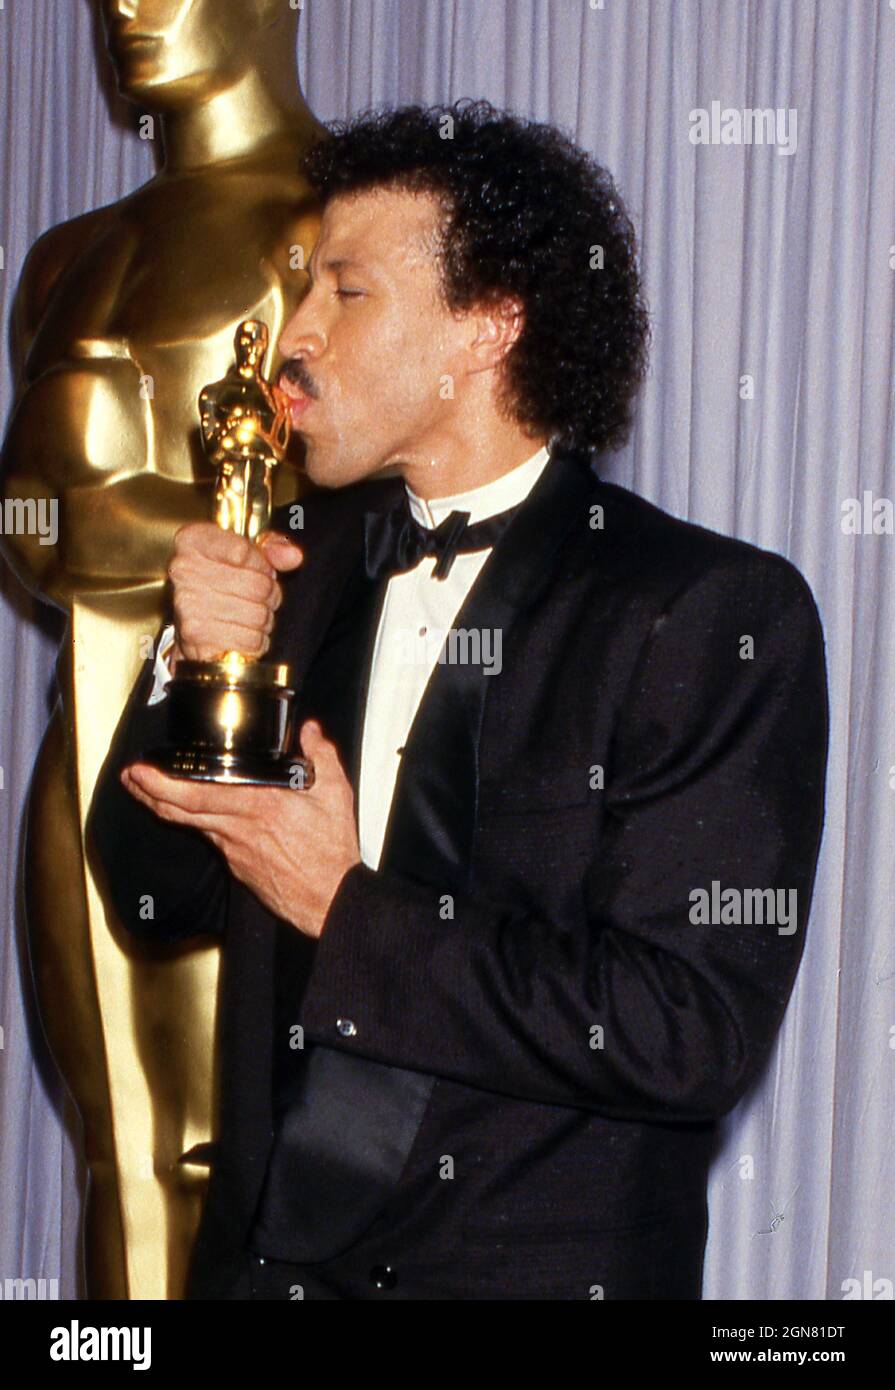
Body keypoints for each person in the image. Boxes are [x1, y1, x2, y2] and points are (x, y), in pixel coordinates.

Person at [89, 100, 829, 1301]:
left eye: (346, 290)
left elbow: (683, 1029)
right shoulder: (289, 562)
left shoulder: (702, 609)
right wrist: (190, 665)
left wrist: (345, 906)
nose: (294, 333)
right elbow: (148, 892)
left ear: (485, 327)